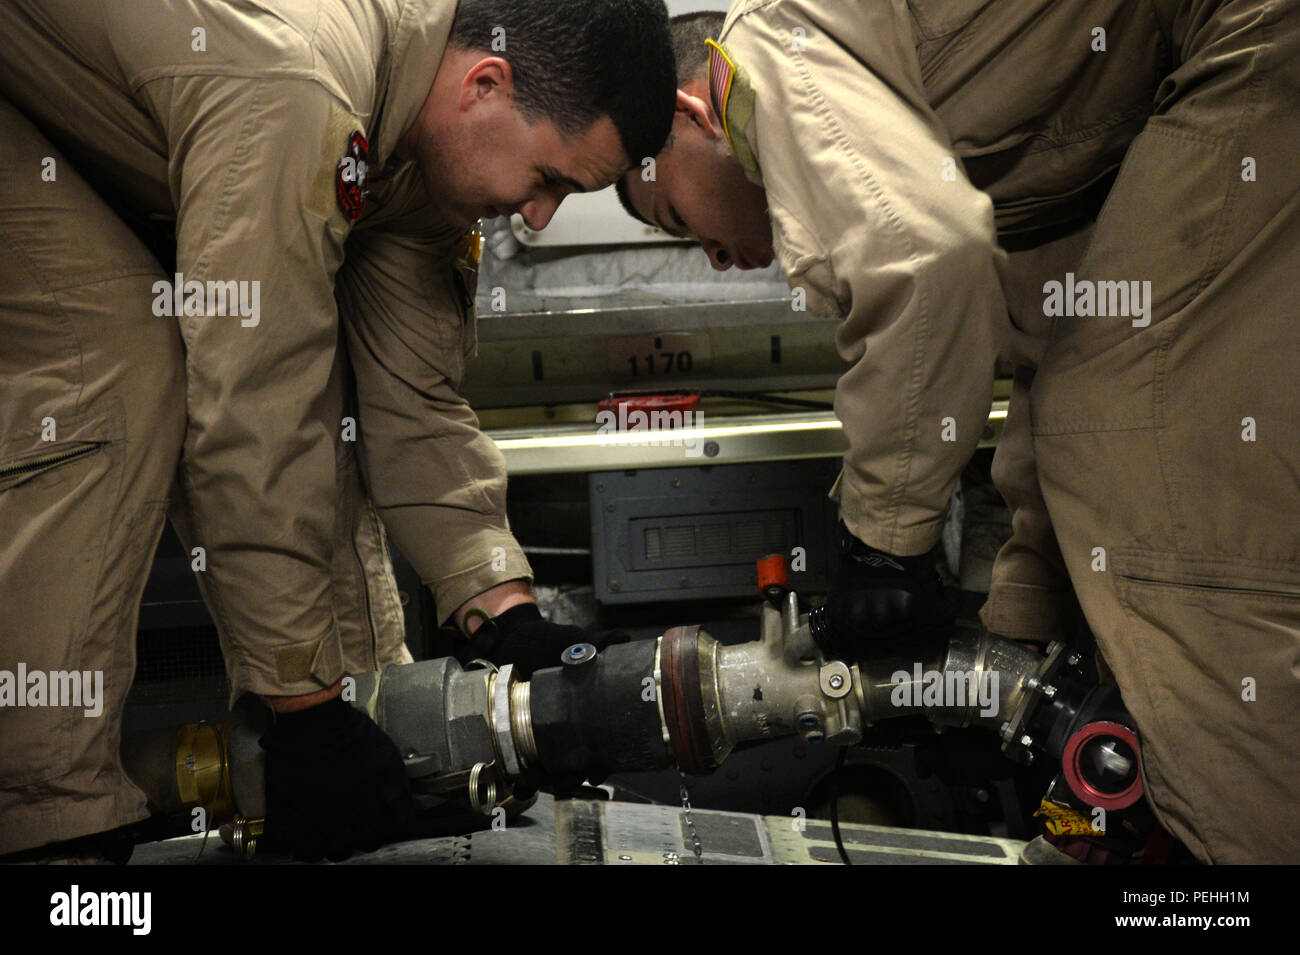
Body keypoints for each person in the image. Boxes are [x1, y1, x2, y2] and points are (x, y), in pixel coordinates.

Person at [617, 2, 1300, 864]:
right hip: (1239, 53)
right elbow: (1058, 355)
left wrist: (881, 547)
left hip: (1244, 34)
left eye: (675, 216)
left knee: (1131, 422)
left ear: (695, 113)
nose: (712, 256)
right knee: (1108, 404)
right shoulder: (990, 141)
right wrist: (1020, 617)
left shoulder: (756, 55)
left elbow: (924, 263)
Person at [0, 0, 675, 862]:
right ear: (486, 84)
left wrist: (502, 612)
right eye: (548, 179)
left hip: (93, 109)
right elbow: (254, 414)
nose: (537, 217)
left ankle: (367, 714)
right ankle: (47, 821)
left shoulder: (418, 131)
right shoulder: (300, 87)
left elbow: (412, 397)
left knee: (322, 391)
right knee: (117, 362)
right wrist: (302, 714)